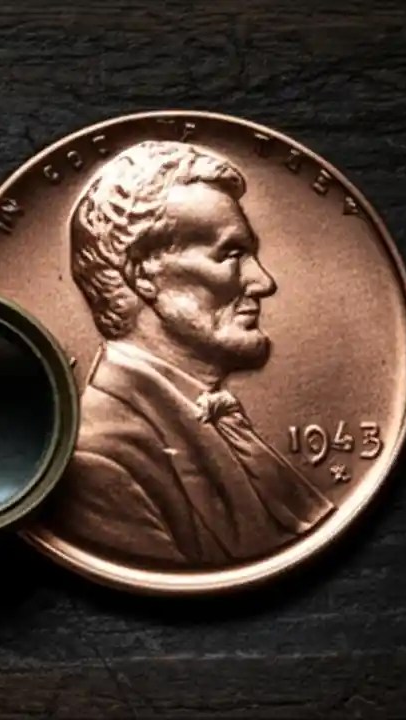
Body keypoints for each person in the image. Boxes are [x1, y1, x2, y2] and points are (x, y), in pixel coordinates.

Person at [50, 140, 335, 568]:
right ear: (142, 272)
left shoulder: (216, 418)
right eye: (231, 254)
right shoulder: (97, 460)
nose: (264, 282)